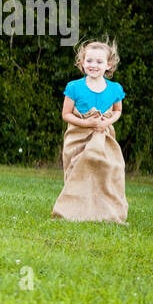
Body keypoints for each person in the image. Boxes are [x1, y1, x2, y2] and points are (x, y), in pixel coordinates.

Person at [51, 41, 127, 222]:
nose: (94, 65)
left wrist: (106, 122)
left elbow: (117, 111)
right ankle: (72, 211)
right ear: (82, 63)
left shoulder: (115, 89)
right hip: (79, 136)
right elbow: (66, 114)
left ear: (108, 65)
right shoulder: (74, 87)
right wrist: (88, 124)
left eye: (99, 62)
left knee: (109, 170)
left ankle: (106, 213)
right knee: (78, 171)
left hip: (103, 136)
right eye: (89, 61)